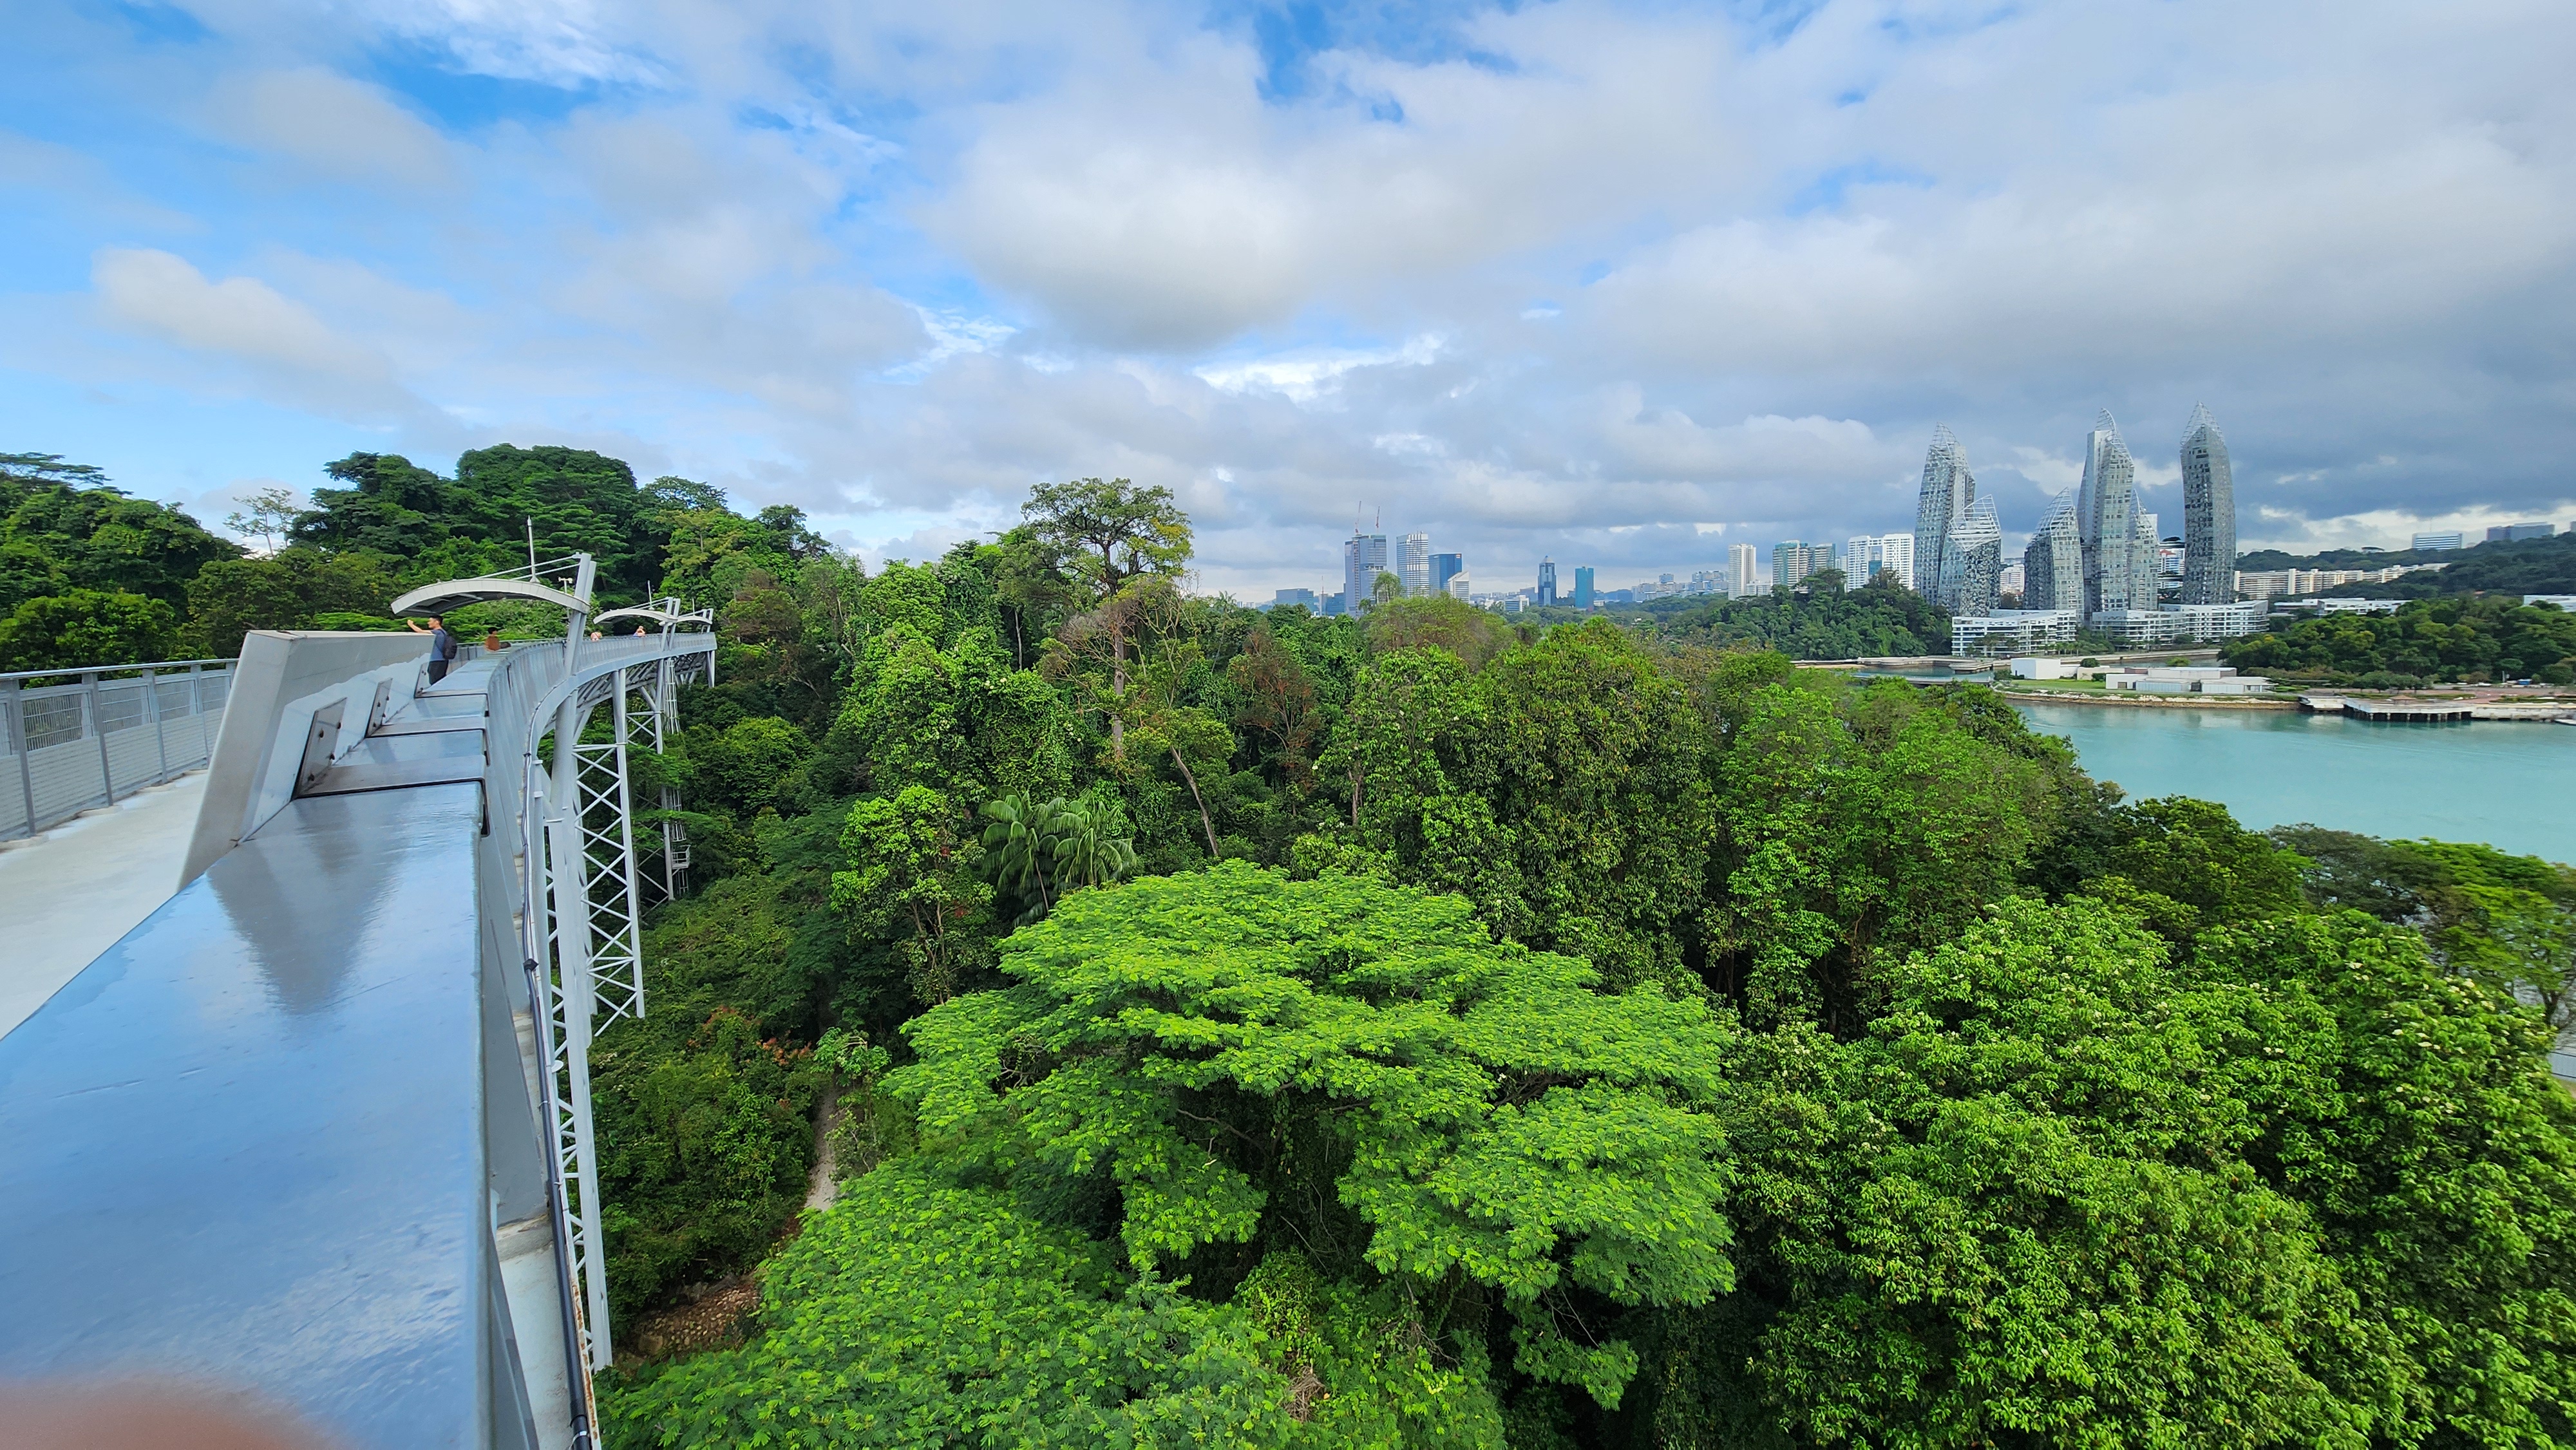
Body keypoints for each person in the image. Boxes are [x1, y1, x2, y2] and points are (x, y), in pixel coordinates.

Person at [407, 614, 455, 683]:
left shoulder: (437, 632)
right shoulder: (444, 633)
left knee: (434, 681)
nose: (428, 623)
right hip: (443, 661)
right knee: (440, 681)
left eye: (430, 621)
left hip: (436, 661)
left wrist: (411, 625)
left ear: (437, 622)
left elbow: (420, 631)